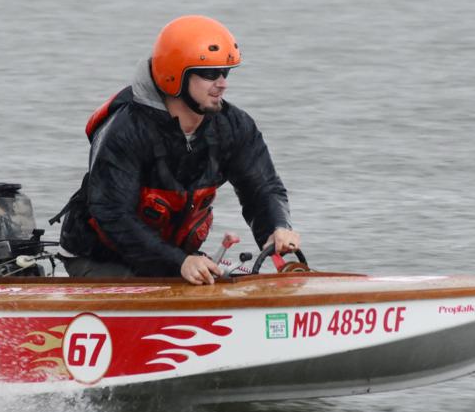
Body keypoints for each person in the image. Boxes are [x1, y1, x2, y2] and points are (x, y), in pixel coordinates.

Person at [53, 15, 300, 285]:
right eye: (209, 74)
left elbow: (263, 188)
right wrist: (179, 262)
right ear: (175, 76)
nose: (222, 83)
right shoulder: (125, 130)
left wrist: (277, 227)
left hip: (170, 258)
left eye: (224, 72)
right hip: (100, 256)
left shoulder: (234, 127)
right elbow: (113, 215)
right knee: (157, 294)